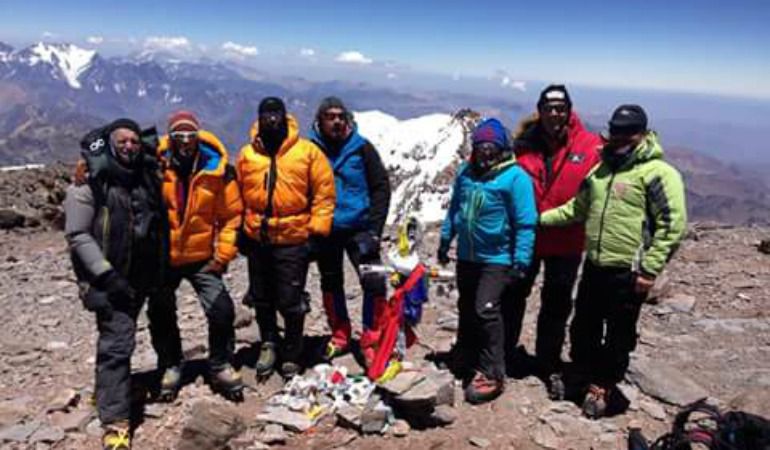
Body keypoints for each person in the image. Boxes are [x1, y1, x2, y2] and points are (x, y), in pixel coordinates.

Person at [540, 104, 687, 418]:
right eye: (615, 131)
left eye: (627, 133)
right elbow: (576, 210)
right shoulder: (600, 171)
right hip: (594, 265)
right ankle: (581, 372)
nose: (619, 138)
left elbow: (673, 224)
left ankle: (603, 384)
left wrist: (650, 270)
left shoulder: (658, 174)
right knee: (583, 326)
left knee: (619, 332)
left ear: (643, 134)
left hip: (629, 270)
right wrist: (539, 219)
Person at [64, 119, 167, 450]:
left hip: (138, 278)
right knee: (117, 344)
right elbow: (78, 234)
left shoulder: (144, 178)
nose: (129, 146)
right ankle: (116, 421)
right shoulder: (90, 182)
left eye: (135, 142)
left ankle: (108, 393)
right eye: (122, 141)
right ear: (109, 143)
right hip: (107, 279)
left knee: (118, 340)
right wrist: (105, 274)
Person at [508, 84, 602, 398]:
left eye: (560, 108)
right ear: (540, 110)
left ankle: (547, 363)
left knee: (556, 304)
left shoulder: (590, 146)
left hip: (567, 240)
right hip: (527, 238)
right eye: (548, 108)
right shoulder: (523, 145)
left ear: (569, 110)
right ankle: (506, 354)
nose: (554, 114)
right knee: (514, 296)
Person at [146, 110, 244, 400]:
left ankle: (220, 363)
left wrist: (223, 254)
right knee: (161, 313)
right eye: (179, 136)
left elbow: (231, 216)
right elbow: (116, 159)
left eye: (190, 135)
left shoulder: (218, 169)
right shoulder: (154, 165)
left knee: (222, 309)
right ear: (171, 138)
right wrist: (85, 167)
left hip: (203, 257)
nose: (185, 141)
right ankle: (171, 364)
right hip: (165, 258)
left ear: (198, 136)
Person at [438, 118, 537, 404]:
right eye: (481, 147)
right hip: (468, 256)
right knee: (467, 307)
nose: (486, 153)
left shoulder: (515, 178)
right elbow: (455, 209)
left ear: (503, 149)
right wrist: (446, 240)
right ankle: (466, 354)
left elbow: (525, 223)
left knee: (486, 310)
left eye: (491, 148)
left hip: (497, 258)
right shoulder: (465, 173)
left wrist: (521, 260)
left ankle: (493, 370)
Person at [236, 97, 335, 379]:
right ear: (259, 118)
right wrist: (241, 230)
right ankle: (269, 342)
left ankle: (292, 350)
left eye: (275, 114)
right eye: (266, 114)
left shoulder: (306, 152)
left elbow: (324, 194)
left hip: (293, 238)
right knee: (261, 297)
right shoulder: (247, 154)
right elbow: (237, 195)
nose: (271, 120)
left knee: (291, 299)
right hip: (257, 237)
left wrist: (317, 232)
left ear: (284, 117)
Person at [308, 96, 391, 363]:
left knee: (375, 282)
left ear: (347, 119)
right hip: (326, 229)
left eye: (340, 116)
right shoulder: (309, 150)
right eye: (329, 116)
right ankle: (340, 336)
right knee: (331, 283)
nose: (335, 121)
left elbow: (381, 187)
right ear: (320, 121)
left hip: (361, 228)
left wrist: (375, 229)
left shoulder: (362, 148)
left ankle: (372, 339)